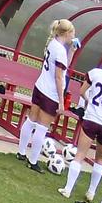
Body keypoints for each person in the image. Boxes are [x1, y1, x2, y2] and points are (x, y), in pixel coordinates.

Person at [19, 20, 75, 170]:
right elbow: (58, 77)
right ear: (67, 33)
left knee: (31, 120)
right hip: (50, 94)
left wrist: (72, 51)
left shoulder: (53, 43)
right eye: (72, 33)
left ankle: (21, 152)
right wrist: (61, 102)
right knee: (42, 127)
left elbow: (63, 68)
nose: (73, 36)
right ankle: (33, 161)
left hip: (40, 86)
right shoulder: (60, 50)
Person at [63, 60, 102, 203]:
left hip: (91, 118)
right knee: (100, 158)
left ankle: (68, 189)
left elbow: (82, 92)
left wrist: (90, 102)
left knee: (80, 155)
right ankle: (91, 192)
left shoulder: (96, 73)